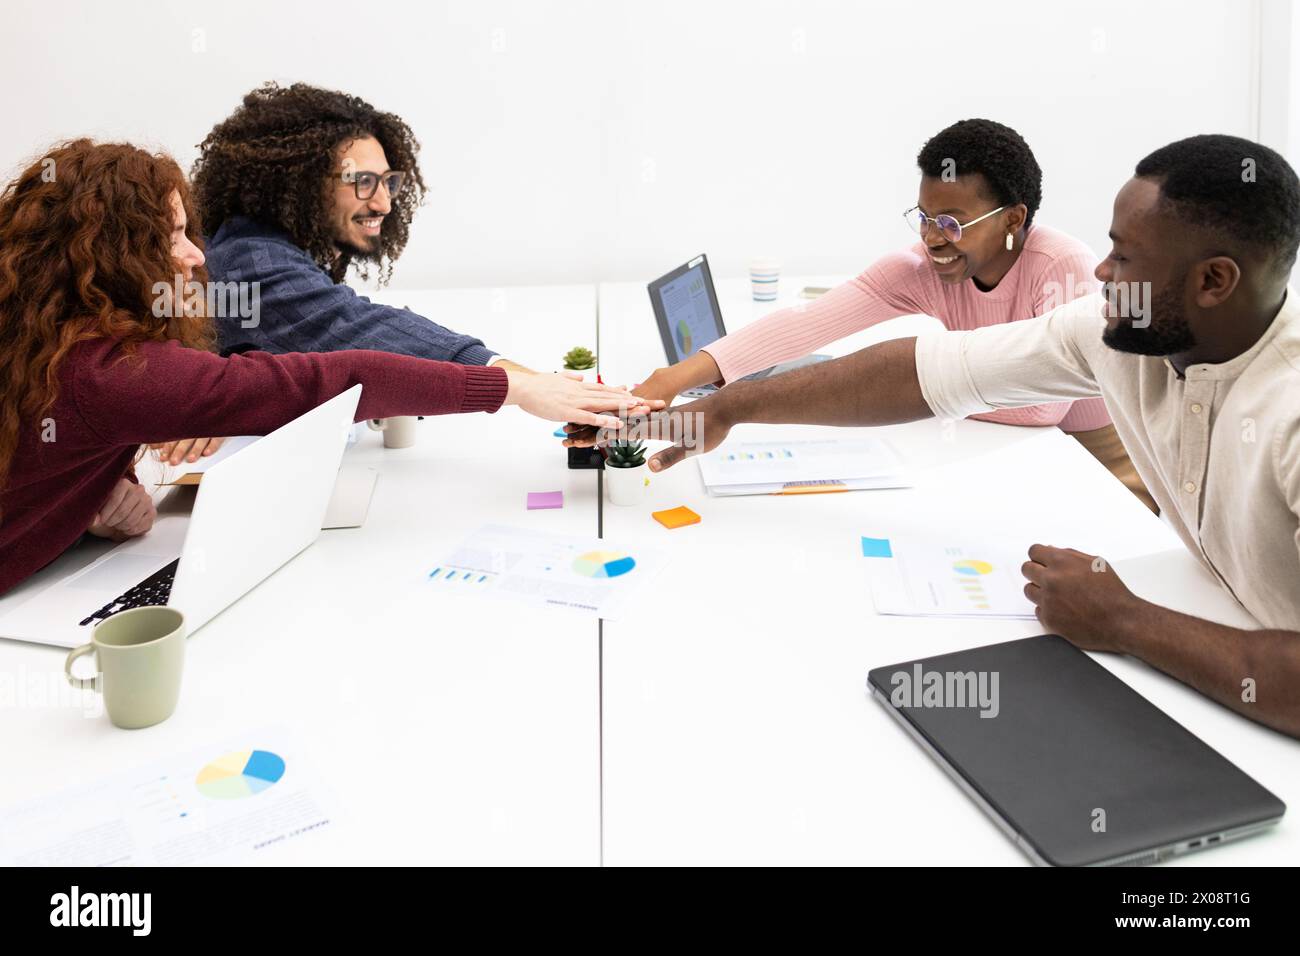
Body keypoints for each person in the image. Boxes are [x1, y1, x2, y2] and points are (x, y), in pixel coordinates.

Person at [632, 134, 1300, 739]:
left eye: (1125, 258)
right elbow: (921, 374)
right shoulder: (1111, 330)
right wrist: (732, 407)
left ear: (1213, 280)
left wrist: (1124, 620)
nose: (1100, 273)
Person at [0, 140, 656, 597]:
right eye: (170, 235)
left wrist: (90, 497)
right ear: (114, 252)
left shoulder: (45, 345)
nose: (195, 256)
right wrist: (514, 388)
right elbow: (337, 375)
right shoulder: (108, 370)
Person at [629, 119, 1154, 510]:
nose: (931, 238)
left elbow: (1042, 409)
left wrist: (912, 394)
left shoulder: (1063, 267)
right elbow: (805, 324)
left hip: (1096, 456)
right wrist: (676, 376)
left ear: (1013, 218)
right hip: (1012, 452)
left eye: (951, 222)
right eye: (924, 218)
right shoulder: (920, 267)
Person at [154, 83, 537, 467]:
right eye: (363, 182)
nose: (384, 203)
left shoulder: (262, 246)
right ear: (299, 183)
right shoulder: (253, 265)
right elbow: (356, 327)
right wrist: (528, 385)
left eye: (388, 182)